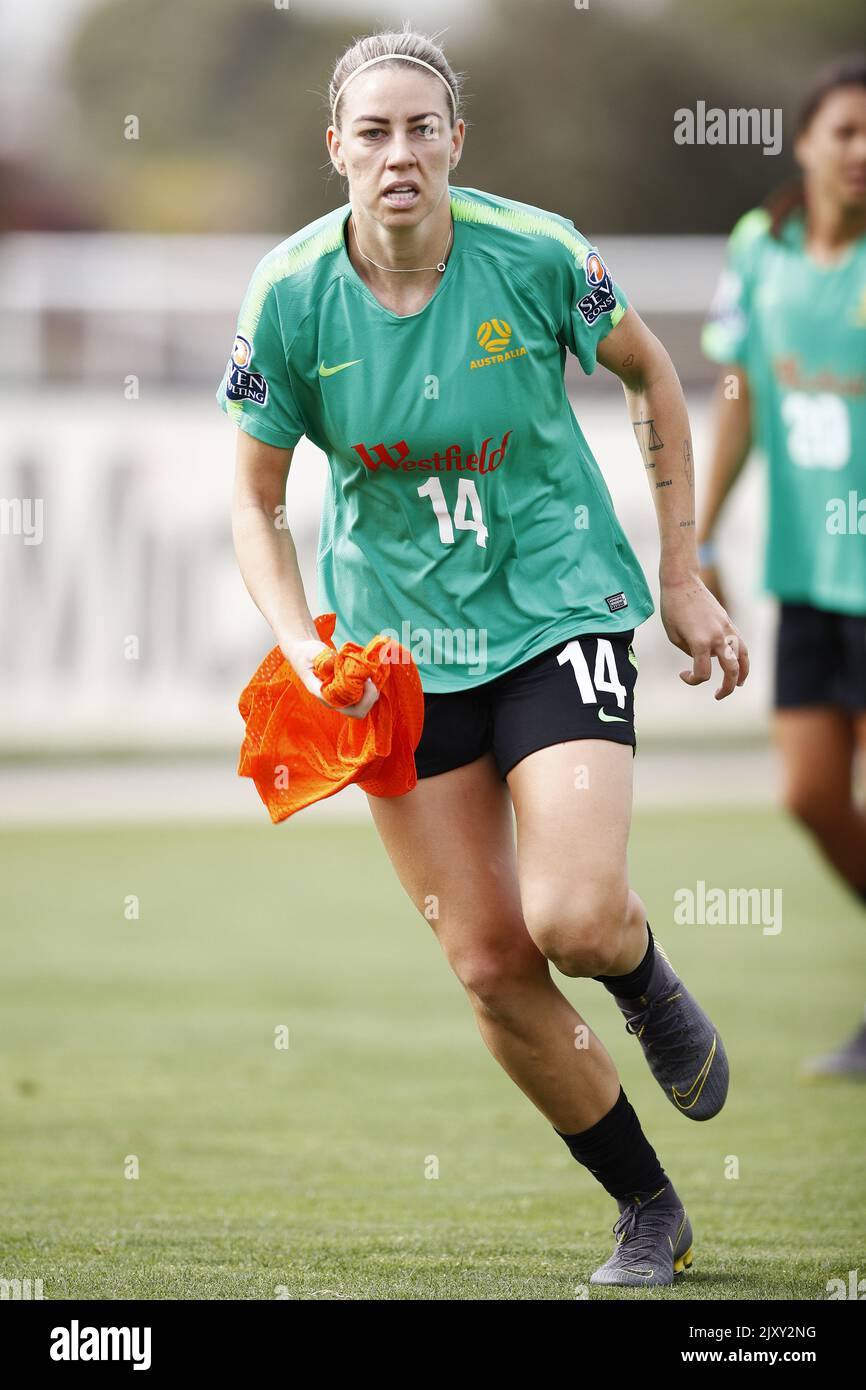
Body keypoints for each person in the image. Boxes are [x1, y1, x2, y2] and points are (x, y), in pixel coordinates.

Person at [219, 25, 749, 1288]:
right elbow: (254, 503)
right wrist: (301, 649)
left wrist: (677, 572)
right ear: (334, 148)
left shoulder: (536, 253)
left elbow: (651, 376)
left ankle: (639, 970)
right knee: (489, 963)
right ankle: (646, 1211)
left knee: (568, 918)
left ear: (455, 142)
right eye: (371, 131)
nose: (396, 153)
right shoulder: (288, 296)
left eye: (420, 128)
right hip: (397, 659)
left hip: (554, 609)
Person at [700, 56, 866, 1079]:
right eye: (842, 131)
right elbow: (737, 396)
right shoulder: (757, 250)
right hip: (806, 579)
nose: (859, 151)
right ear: (802, 142)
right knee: (808, 795)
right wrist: (702, 536)